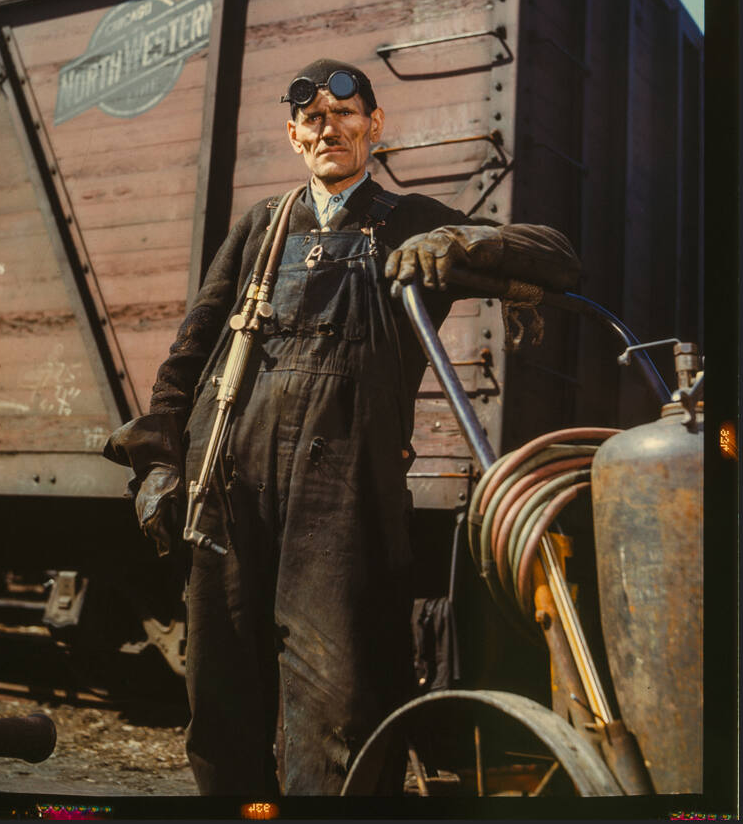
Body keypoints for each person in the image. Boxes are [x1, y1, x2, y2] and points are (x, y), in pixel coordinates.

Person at [103, 59, 580, 797]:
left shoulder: (412, 220)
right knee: (222, 701)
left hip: (344, 500)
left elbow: (556, 255)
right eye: (314, 120)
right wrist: (161, 465)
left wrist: (463, 247)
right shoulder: (262, 227)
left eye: (345, 116)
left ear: (374, 127)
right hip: (230, 487)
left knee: (339, 709)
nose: (330, 129)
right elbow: (189, 356)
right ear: (294, 136)